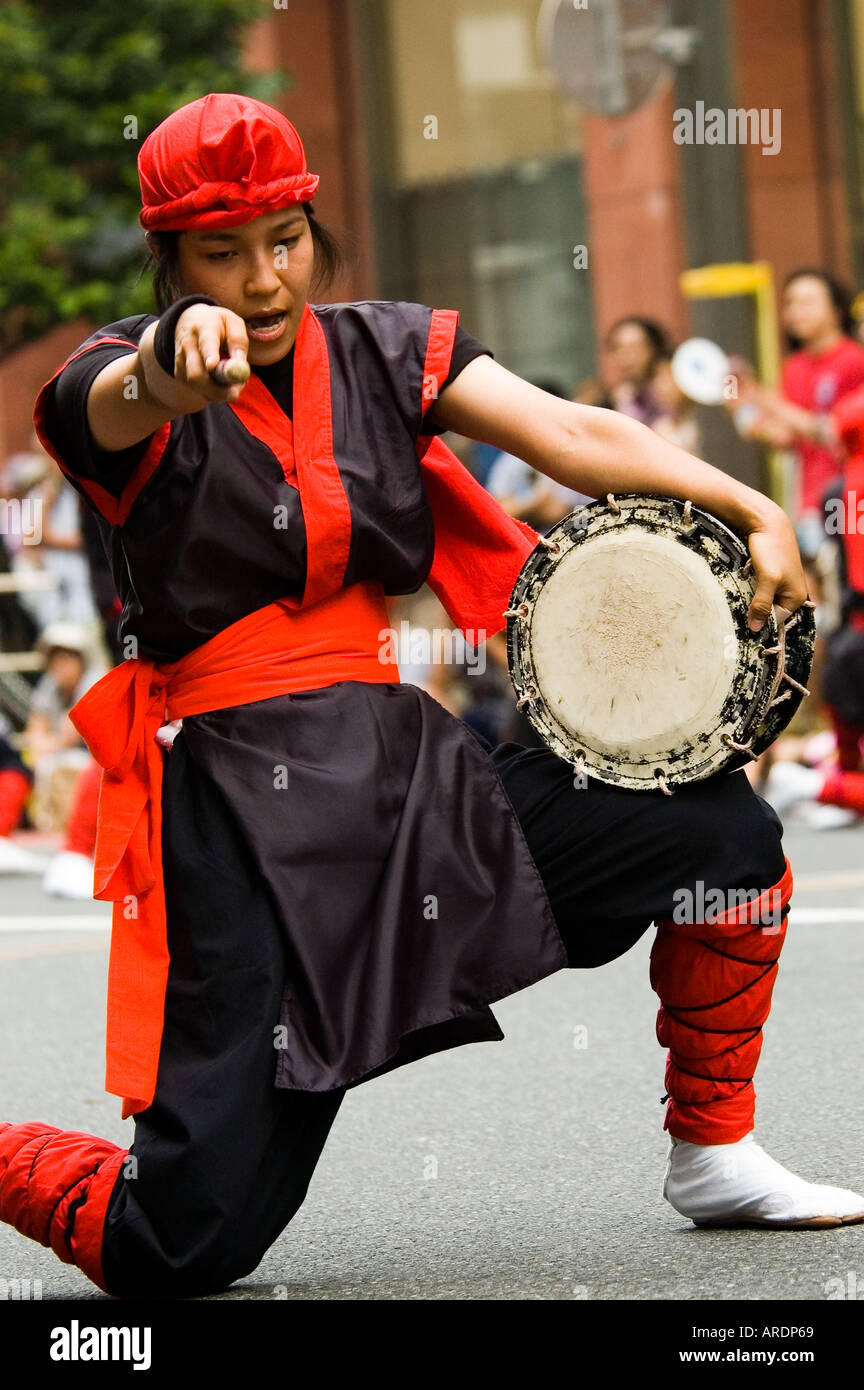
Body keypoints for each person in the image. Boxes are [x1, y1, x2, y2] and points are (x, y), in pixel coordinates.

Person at [3, 94, 862, 1302]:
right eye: (219, 253)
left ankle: (713, 1149)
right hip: (245, 827)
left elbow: (564, 426)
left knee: (717, 829)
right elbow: (125, 398)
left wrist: (757, 504)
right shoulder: (108, 382)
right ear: (167, 261)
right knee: (178, 1245)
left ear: (315, 229)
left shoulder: (384, 350)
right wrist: (168, 358)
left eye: (283, 241)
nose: (260, 279)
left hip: (411, 791)